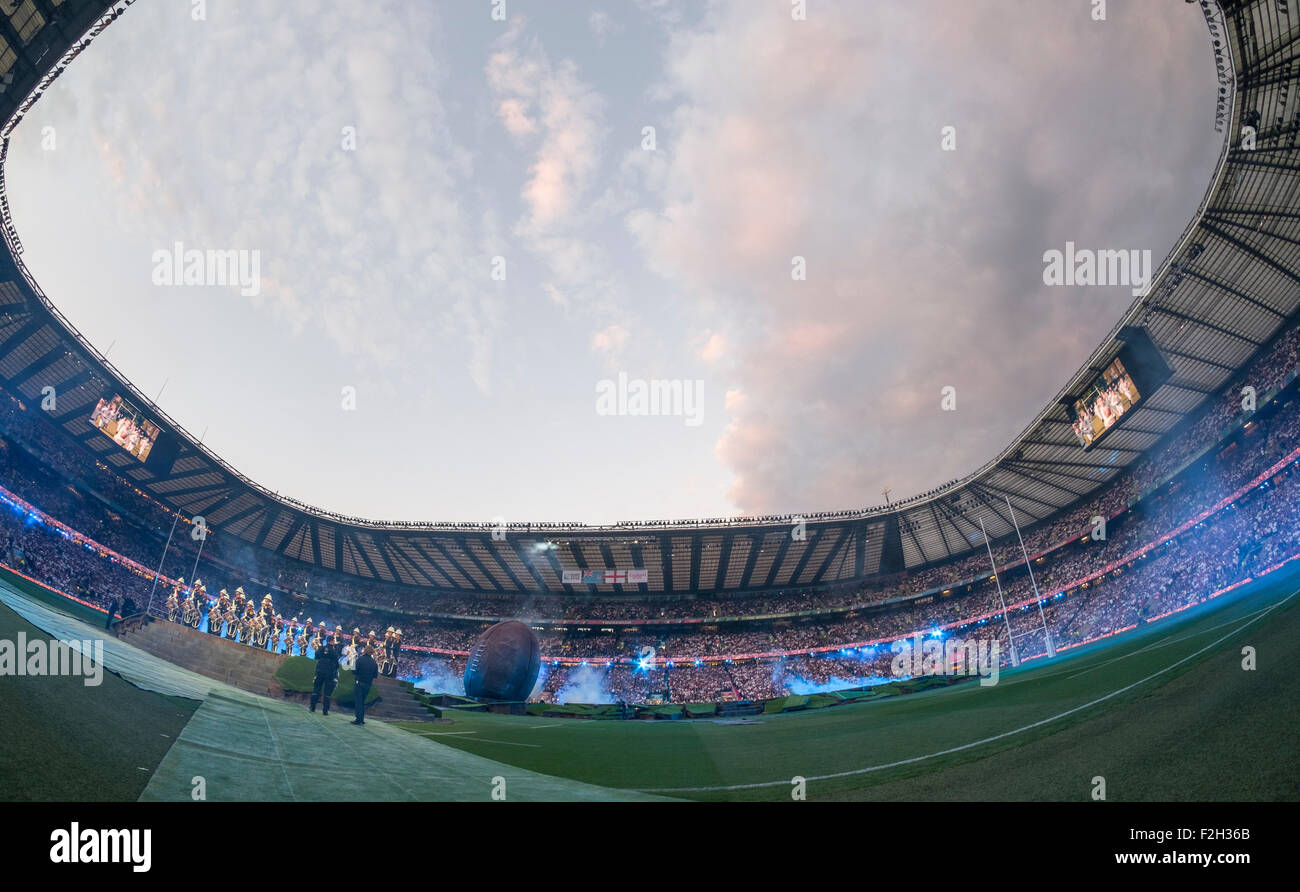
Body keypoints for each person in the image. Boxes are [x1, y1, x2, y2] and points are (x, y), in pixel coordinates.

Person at [310, 632, 342, 715]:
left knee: (316, 689)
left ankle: (312, 707)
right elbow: (337, 664)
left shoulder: (321, 648)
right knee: (327, 692)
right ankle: (325, 710)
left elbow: (316, 656)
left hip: (319, 671)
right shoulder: (334, 651)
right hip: (329, 673)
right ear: (332, 641)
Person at [351, 645, 379, 726]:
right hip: (368, 684)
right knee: (362, 702)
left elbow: (354, 671)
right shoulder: (374, 662)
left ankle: (358, 719)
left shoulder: (360, 659)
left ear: (365, 651)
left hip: (359, 682)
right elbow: (375, 675)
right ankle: (361, 719)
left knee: (358, 702)